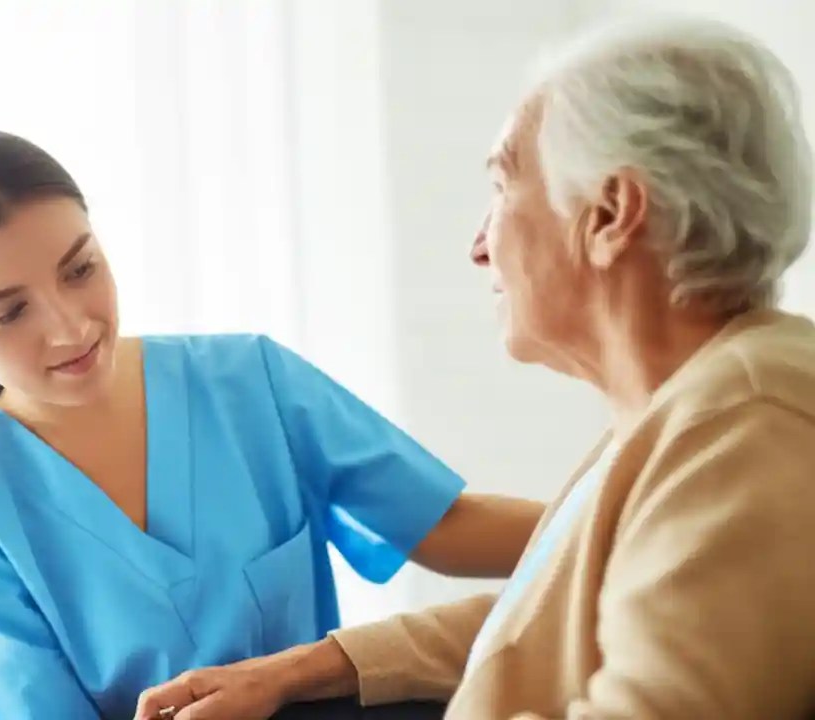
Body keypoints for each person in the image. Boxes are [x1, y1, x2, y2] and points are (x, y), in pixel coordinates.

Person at [135, 15, 815, 720]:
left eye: (503, 185)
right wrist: (297, 669)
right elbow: (544, 618)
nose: (479, 246)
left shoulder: (746, 425)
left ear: (609, 215)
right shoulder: (698, 405)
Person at [0, 127, 545, 719]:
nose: (70, 326)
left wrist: (626, 514)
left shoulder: (250, 381)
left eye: (81, 269)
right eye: (9, 313)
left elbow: (442, 525)